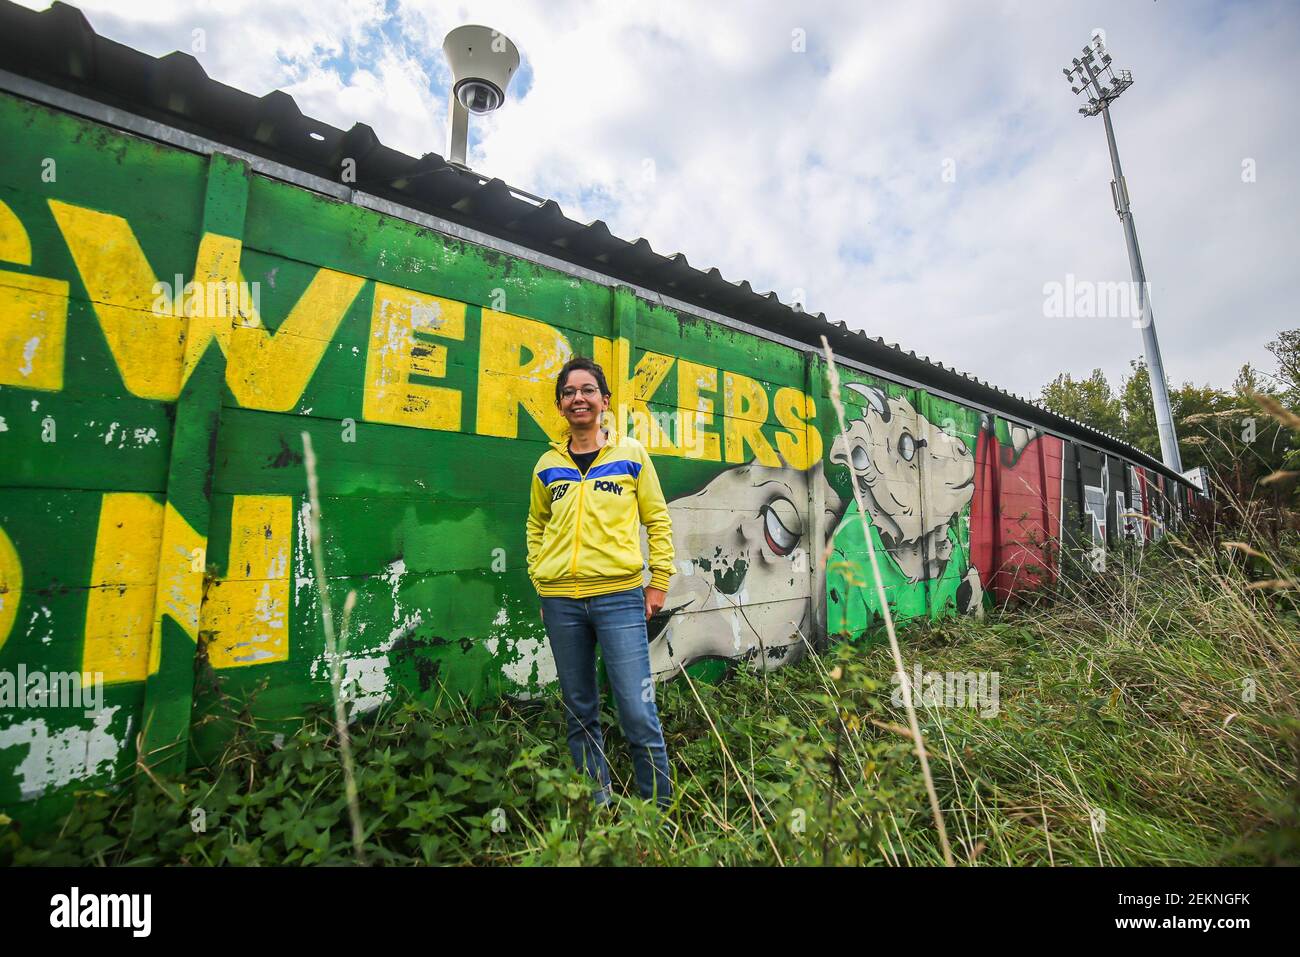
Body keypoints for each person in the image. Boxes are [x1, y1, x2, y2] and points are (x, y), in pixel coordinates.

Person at [525, 356, 675, 808]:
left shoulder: (630, 456)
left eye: (588, 390)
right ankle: (597, 805)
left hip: (618, 598)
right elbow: (536, 525)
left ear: (605, 402)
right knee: (579, 712)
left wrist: (659, 580)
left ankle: (656, 814)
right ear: (560, 405)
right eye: (569, 392)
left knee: (636, 710)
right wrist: (541, 579)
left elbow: (658, 520)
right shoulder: (547, 465)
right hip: (562, 603)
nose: (579, 399)